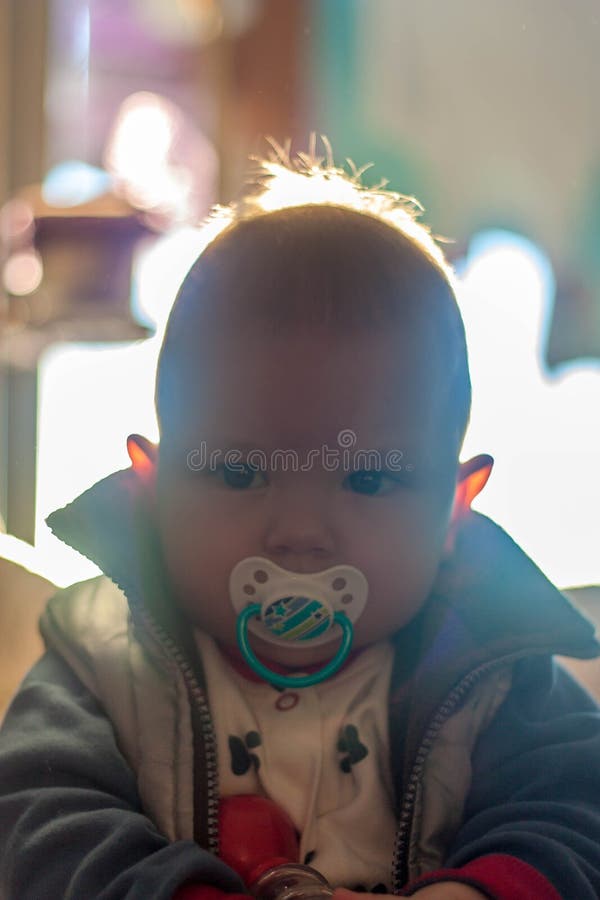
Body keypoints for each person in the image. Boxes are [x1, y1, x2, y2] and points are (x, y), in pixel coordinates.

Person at [1, 144, 599, 900]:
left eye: (369, 478)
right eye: (240, 473)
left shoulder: (499, 673)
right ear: (154, 485)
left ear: (454, 508)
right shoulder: (101, 660)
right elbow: (37, 824)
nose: (300, 532)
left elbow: (575, 818)